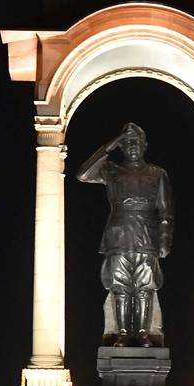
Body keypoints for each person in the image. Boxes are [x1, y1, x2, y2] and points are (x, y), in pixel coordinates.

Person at [74, 122, 174, 347]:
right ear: (121, 146)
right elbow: (83, 174)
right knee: (119, 286)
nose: (132, 147)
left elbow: (166, 210)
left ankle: (142, 333)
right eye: (127, 143)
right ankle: (121, 334)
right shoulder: (111, 170)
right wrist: (111, 144)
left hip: (147, 235)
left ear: (144, 145)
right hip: (117, 235)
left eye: (136, 143)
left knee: (144, 287)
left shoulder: (157, 174)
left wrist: (165, 239)